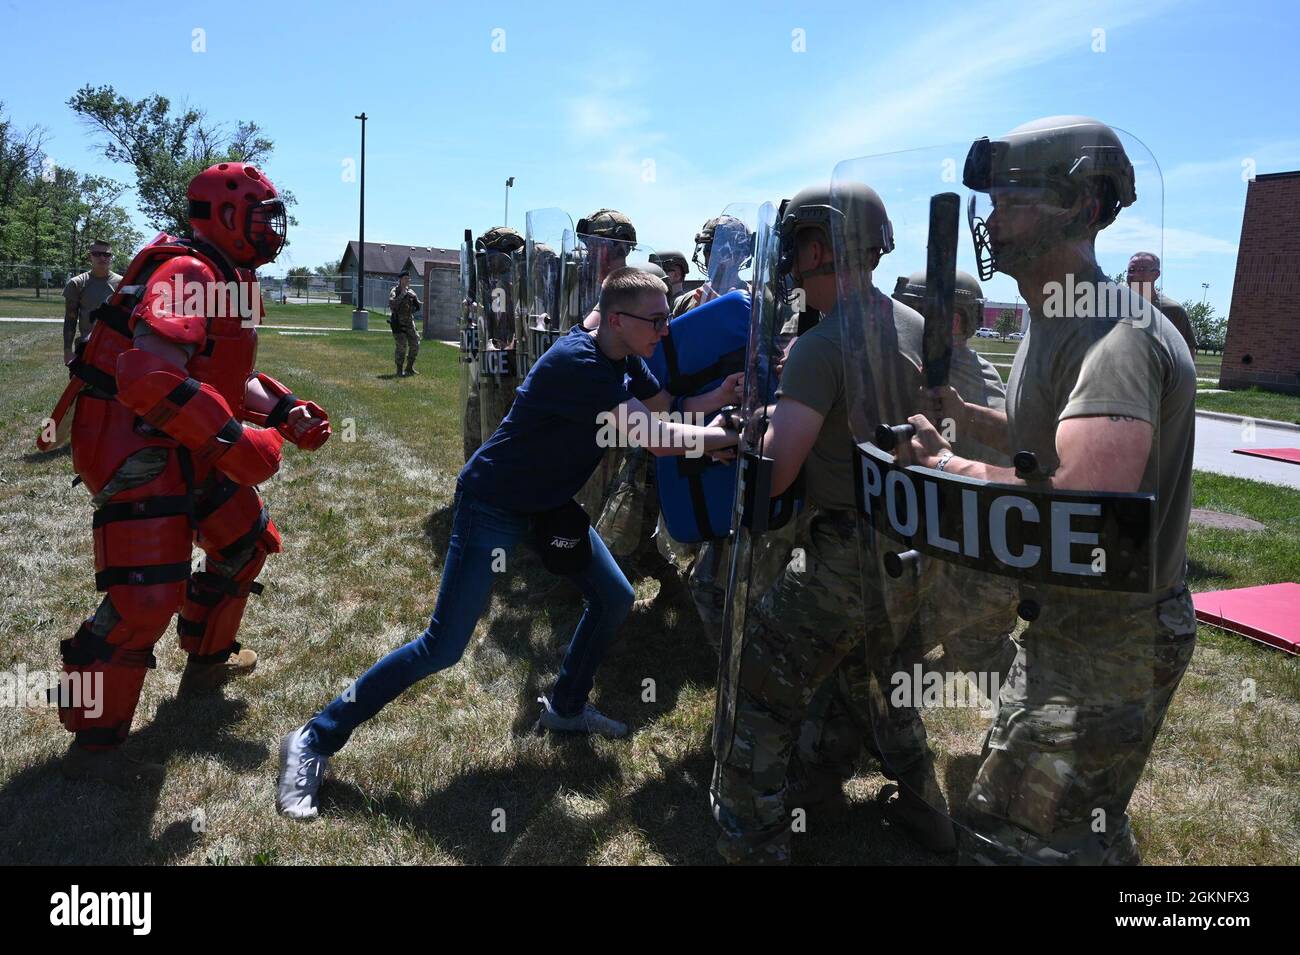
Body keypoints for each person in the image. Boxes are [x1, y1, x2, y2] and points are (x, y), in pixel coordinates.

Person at [278, 267, 741, 820]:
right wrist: (723, 435)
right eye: (658, 319)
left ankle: (566, 708)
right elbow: (654, 437)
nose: (668, 329)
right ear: (618, 319)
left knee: (614, 598)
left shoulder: (620, 352)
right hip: (494, 503)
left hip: (546, 504)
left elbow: (659, 407)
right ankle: (313, 738)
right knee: (442, 646)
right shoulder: (582, 365)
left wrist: (718, 396)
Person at [910, 116, 1198, 864]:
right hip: (1074, 616)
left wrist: (945, 465)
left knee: (1016, 834)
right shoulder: (1054, 317)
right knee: (1060, 819)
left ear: (1079, 205)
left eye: (1011, 197)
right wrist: (971, 419)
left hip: (1116, 635)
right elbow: (1046, 443)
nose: (991, 217)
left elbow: (1082, 499)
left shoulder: (1117, 333)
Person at [44, 162, 331, 785]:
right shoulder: (187, 273)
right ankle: (93, 738)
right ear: (226, 217)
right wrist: (233, 441)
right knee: (145, 596)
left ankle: (207, 660)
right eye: (262, 216)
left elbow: (227, 375)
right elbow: (149, 377)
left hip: (183, 434)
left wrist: (284, 410)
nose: (272, 228)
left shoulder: (230, 279)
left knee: (245, 541)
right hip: (136, 442)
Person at [708, 183, 941, 864]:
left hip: (843, 556)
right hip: (911, 548)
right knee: (885, 687)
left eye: (795, 250)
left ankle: (754, 840)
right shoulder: (912, 326)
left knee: (760, 683)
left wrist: (747, 434)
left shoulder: (823, 341)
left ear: (816, 248)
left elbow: (778, 474)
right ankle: (932, 814)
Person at [62, 239, 122, 365]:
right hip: (87, 346)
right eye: (97, 254)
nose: (102, 257)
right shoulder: (77, 283)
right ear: (90, 257)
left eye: (106, 254)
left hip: (116, 347)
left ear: (111, 257)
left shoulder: (122, 283)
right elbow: (70, 319)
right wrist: (67, 350)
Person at [1127, 251, 1196, 358]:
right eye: (1131, 270)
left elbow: (1187, 352)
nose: (1135, 274)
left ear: (1156, 275)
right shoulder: (1112, 306)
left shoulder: (1173, 310)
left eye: (1142, 270)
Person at [389, 269, 422, 377]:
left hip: (409, 323)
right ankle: (399, 370)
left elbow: (417, 307)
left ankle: (409, 368)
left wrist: (416, 300)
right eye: (405, 279)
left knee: (415, 344)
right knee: (401, 347)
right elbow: (392, 305)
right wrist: (402, 294)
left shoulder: (411, 292)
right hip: (398, 323)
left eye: (408, 279)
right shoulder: (395, 291)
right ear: (400, 280)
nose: (407, 280)